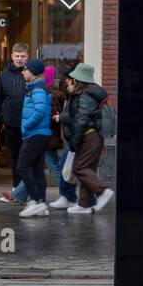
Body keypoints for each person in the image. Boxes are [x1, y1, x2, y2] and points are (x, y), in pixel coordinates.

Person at [61, 63, 114, 213]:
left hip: (89, 137)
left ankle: (102, 191)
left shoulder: (85, 95)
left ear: (77, 80)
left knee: (79, 167)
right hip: (92, 136)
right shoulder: (87, 93)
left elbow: (81, 120)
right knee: (87, 168)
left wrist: (74, 142)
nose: (68, 81)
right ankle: (85, 204)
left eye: (71, 78)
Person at [0, 43, 30, 204]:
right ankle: (17, 188)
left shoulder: (31, 74)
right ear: (12, 56)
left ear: (28, 57)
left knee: (26, 159)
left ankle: (26, 192)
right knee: (15, 158)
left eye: (23, 56)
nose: (20, 59)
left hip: (29, 124)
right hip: (11, 123)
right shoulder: (3, 76)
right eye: (17, 56)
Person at [16, 58, 53, 217]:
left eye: (25, 69)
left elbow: (39, 112)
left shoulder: (37, 89)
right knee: (37, 170)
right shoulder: (37, 87)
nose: (23, 71)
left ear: (33, 71)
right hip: (40, 134)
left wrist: (26, 126)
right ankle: (42, 204)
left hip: (35, 134)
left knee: (22, 167)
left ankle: (36, 201)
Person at [43, 65, 79, 210]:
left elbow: (55, 115)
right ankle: (19, 194)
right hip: (58, 136)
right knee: (33, 166)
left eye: (68, 79)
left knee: (57, 167)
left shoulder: (50, 95)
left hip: (50, 136)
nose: (65, 81)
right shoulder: (62, 94)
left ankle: (68, 195)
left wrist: (58, 117)